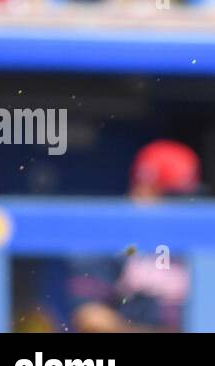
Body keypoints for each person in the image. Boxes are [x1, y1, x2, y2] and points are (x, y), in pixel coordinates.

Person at [68, 141, 199, 332]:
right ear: (142, 189)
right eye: (168, 195)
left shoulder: (198, 237)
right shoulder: (108, 236)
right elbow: (88, 316)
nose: (177, 205)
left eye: (181, 197)